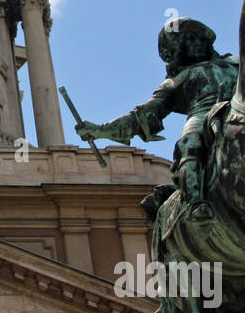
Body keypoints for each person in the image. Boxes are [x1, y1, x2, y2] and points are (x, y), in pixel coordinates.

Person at [75, 18, 235, 220]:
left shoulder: (236, 63)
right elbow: (141, 116)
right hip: (202, 115)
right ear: (179, 50)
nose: (196, 43)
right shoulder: (176, 82)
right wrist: (100, 130)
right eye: (189, 40)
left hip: (239, 109)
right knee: (189, 143)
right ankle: (196, 203)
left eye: (199, 38)